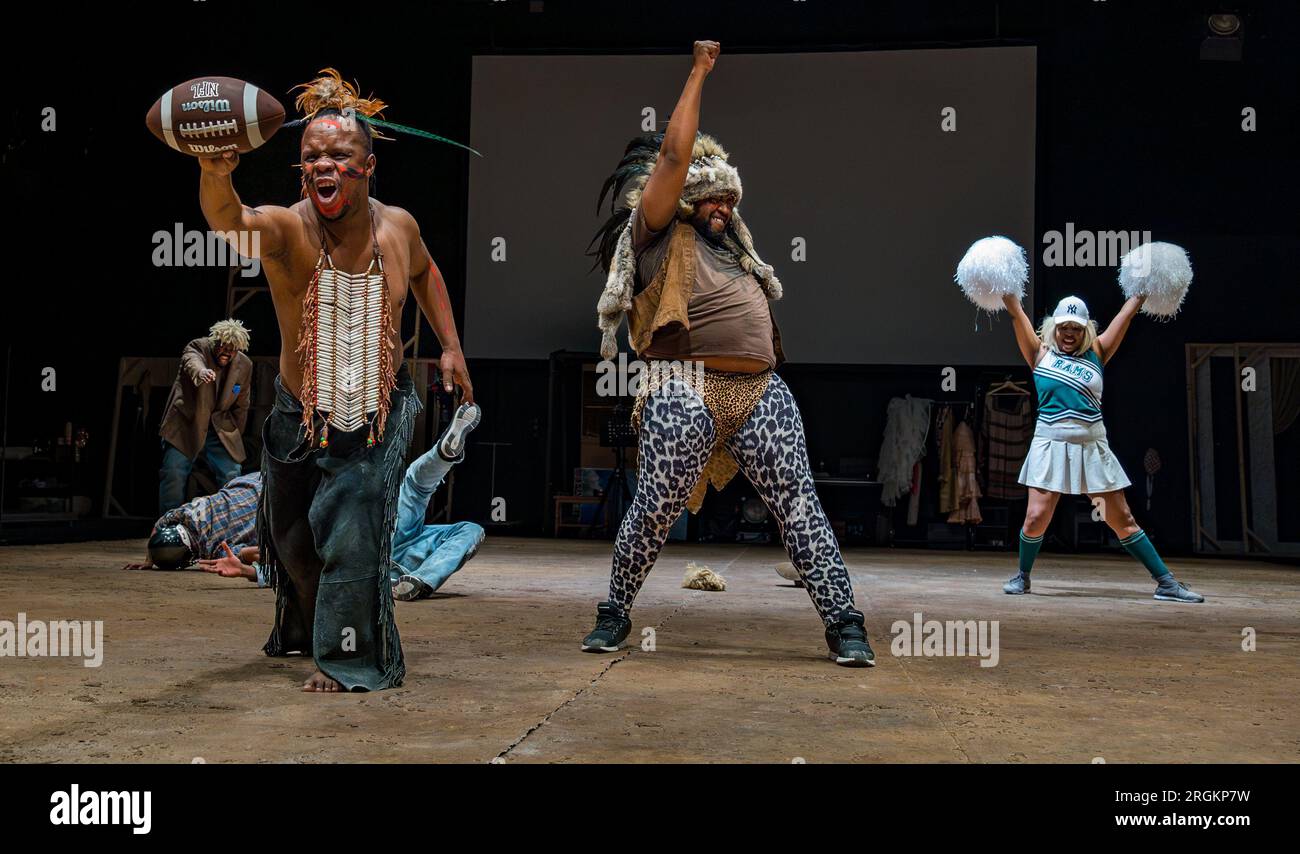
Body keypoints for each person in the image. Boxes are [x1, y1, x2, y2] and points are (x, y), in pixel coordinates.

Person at [584, 41, 874, 666]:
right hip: (682, 384)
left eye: (730, 198)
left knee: (799, 506)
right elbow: (672, 155)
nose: (725, 206)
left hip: (758, 392)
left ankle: (845, 624)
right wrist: (698, 73)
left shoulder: (740, 252)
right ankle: (614, 613)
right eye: (713, 197)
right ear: (686, 197)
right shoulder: (657, 232)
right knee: (656, 507)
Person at [194, 69, 474, 692]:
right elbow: (230, 220)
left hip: (376, 411)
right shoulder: (289, 227)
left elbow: (427, 274)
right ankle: (308, 629)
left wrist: (450, 345)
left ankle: (349, 657)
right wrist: (216, 173)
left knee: (352, 532)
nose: (324, 165)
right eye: (312, 156)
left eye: (339, 155)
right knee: (291, 542)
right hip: (299, 412)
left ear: (368, 165)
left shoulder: (398, 226)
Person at [999, 293, 1204, 602]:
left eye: (1077, 328)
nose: (1069, 334)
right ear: (1053, 327)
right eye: (1064, 327)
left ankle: (1166, 582)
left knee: (1122, 519)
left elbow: (1126, 316)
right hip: (1049, 444)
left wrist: (1142, 290)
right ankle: (1023, 576)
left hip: (1091, 446)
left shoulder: (1098, 351)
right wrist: (1004, 289)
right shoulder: (1038, 353)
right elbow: (1017, 315)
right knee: (1035, 517)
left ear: (1087, 331)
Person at [197, 404, 485, 601]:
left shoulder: (300, 512)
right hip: (378, 547)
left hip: (393, 554)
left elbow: (303, 568)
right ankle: (442, 456)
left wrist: (249, 568)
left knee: (461, 523)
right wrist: (249, 567)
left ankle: (418, 582)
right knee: (417, 488)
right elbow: (304, 565)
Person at [158, 319, 252, 512]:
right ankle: (169, 525)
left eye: (232, 349)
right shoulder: (198, 347)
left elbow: (242, 404)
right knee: (174, 472)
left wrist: (234, 435)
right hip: (187, 423)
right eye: (222, 347)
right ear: (215, 342)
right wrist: (201, 373)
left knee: (232, 474)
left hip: (220, 429)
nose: (226, 352)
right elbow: (192, 362)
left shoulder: (245, 364)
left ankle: (228, 525)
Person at [123, 472, 261, 571]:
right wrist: (150, 558)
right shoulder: (189, 512)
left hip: (273, 506)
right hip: (254, 481)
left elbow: (253, 553)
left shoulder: (214, 551)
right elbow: (161, 523)